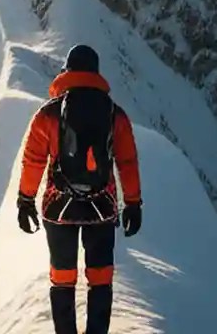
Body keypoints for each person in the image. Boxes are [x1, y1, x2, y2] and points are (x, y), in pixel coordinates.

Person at [17, 44, 142, 334]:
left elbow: (34, 161)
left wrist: (25, 199)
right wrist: (133, 203)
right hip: (102, 207)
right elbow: (127, 161)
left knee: (62, 277)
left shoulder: (47, 114)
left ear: (67, 72)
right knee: (100, 277)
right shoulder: (114, 114)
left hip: (58, 208)